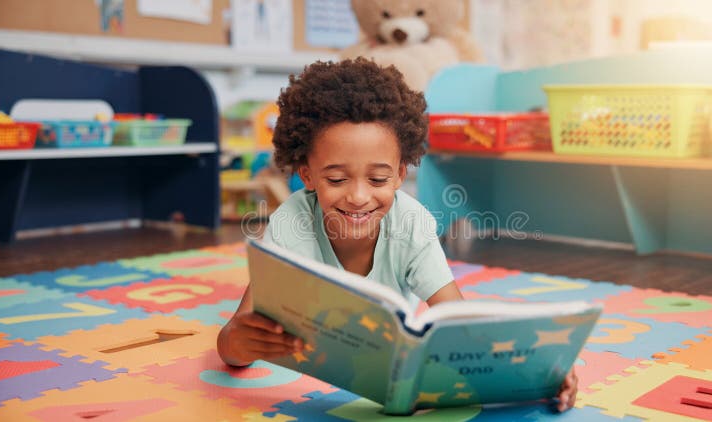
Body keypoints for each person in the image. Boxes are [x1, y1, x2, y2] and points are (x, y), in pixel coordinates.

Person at [217, 58, 578, 412]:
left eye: (377, 179)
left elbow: (461, 324)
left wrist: (539, 374)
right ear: (307, 175)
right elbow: (230, 343)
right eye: (337, 179)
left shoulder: (412, 225)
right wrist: (242, 344)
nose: (358, 197)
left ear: (400, 174)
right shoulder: (289, 224)